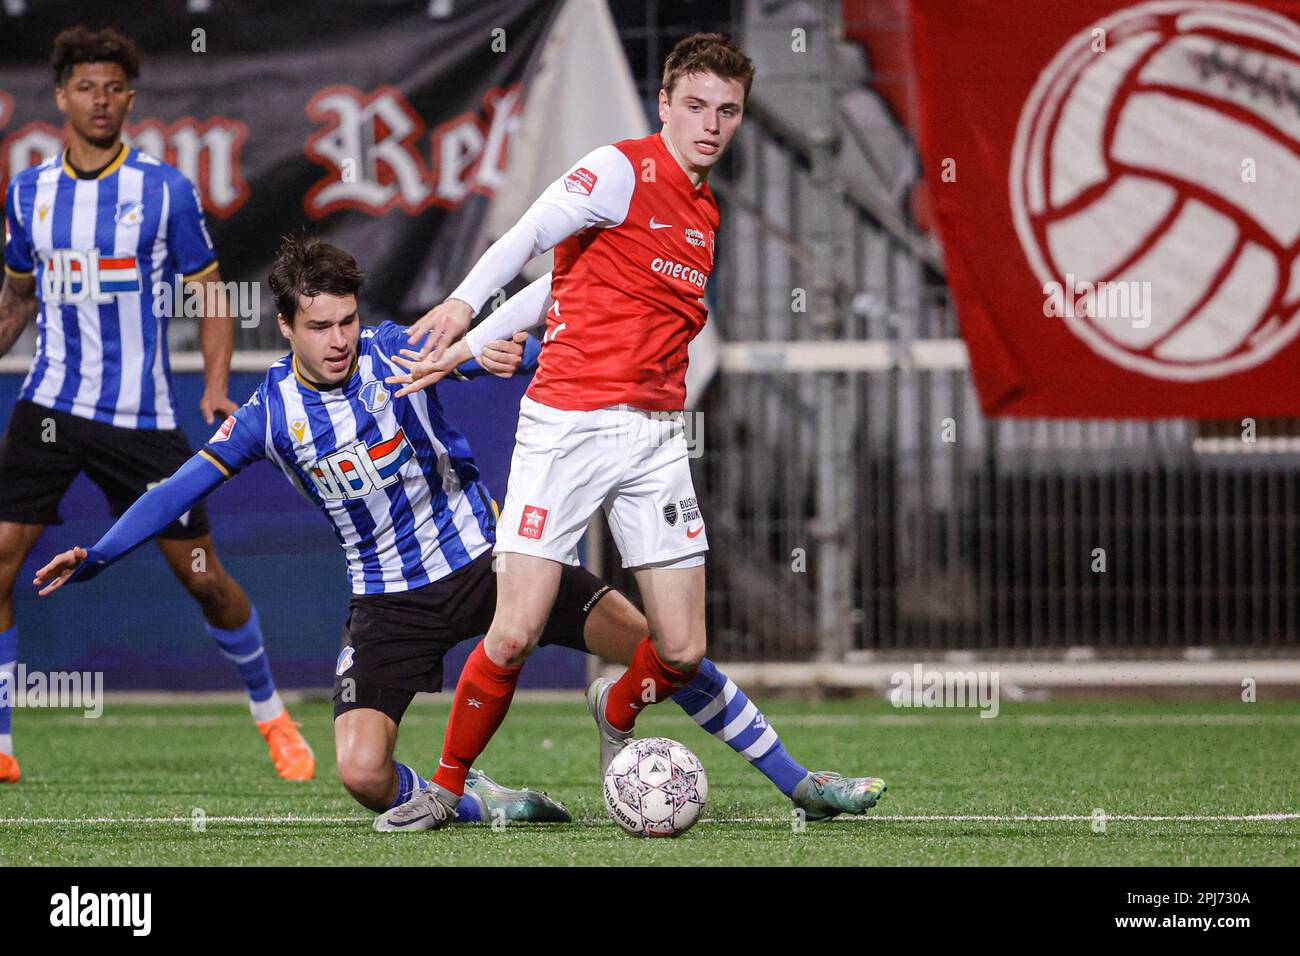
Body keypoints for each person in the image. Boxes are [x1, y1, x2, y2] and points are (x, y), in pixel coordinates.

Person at [35, 237, 886, 828]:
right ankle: (488, 802)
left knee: (668, 649)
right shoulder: (267, 415)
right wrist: (100, 552)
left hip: (497, 562)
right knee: (364, 775)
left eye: (347, 322)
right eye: (321, 327)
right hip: (387, 602)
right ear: (286, 328)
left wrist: (501, 351)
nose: (340, 341)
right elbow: (178, 487)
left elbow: (494, 344)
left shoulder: (400, 350)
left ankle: (800, 782)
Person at [381, 33, 851, 831]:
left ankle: (617, 703)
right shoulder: (618, 169)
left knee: (681, 650)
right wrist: (464, 311)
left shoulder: (704, 213)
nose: (710, 123)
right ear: (665, 104)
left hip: (656, 439)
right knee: (515, 632)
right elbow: (528, 237)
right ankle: (447, 784)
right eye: (695, 105)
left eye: (727, 111)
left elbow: (560, 286)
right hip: (565, 425)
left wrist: (470, 341)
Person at [0, 26, 312, 784]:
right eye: (86, 87)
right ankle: (2, 742)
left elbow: (208, 296)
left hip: (142, 420)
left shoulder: (164, 190)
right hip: (50, 409)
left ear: (130, 97)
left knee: (203, 573)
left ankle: (273, 716)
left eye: (113, 87)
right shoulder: (27, 191)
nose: (99, 100)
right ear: (61, 97)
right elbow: (16, 298)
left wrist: (212, 383)